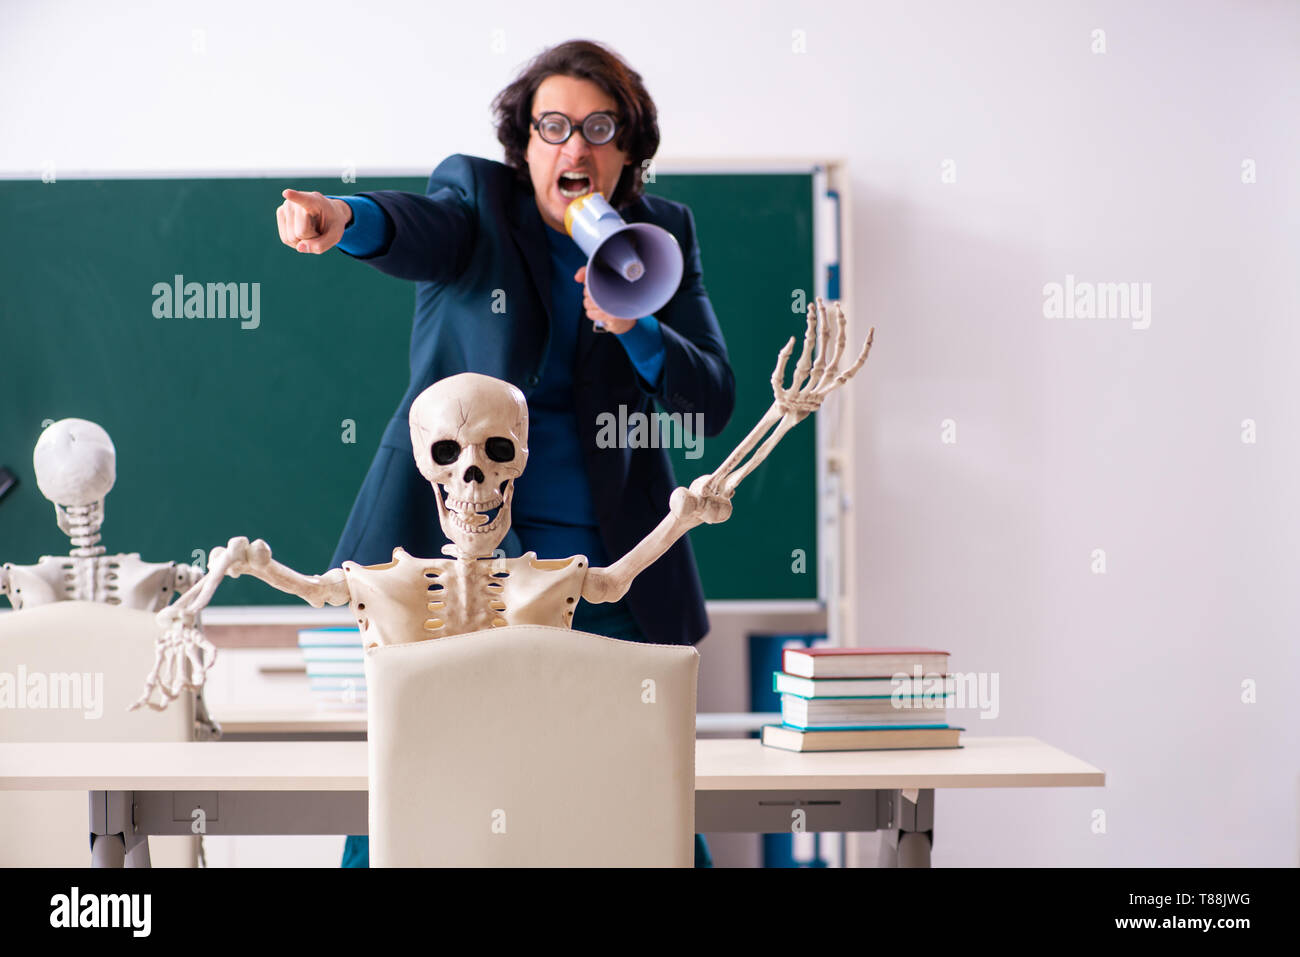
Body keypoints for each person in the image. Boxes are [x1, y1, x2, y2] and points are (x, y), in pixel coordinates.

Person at [275, 39, 733, 868]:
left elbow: (711, 398)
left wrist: (640, 330)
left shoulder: (661, 234)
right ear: (524, 146)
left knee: (640, 785)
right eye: (552, 125)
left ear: (628, 154)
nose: (575, 146)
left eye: (600, 127)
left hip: (602, 569)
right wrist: (346, 220)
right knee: (412, 778)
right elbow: (416, 228)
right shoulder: (479, 200)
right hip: (447, 556)